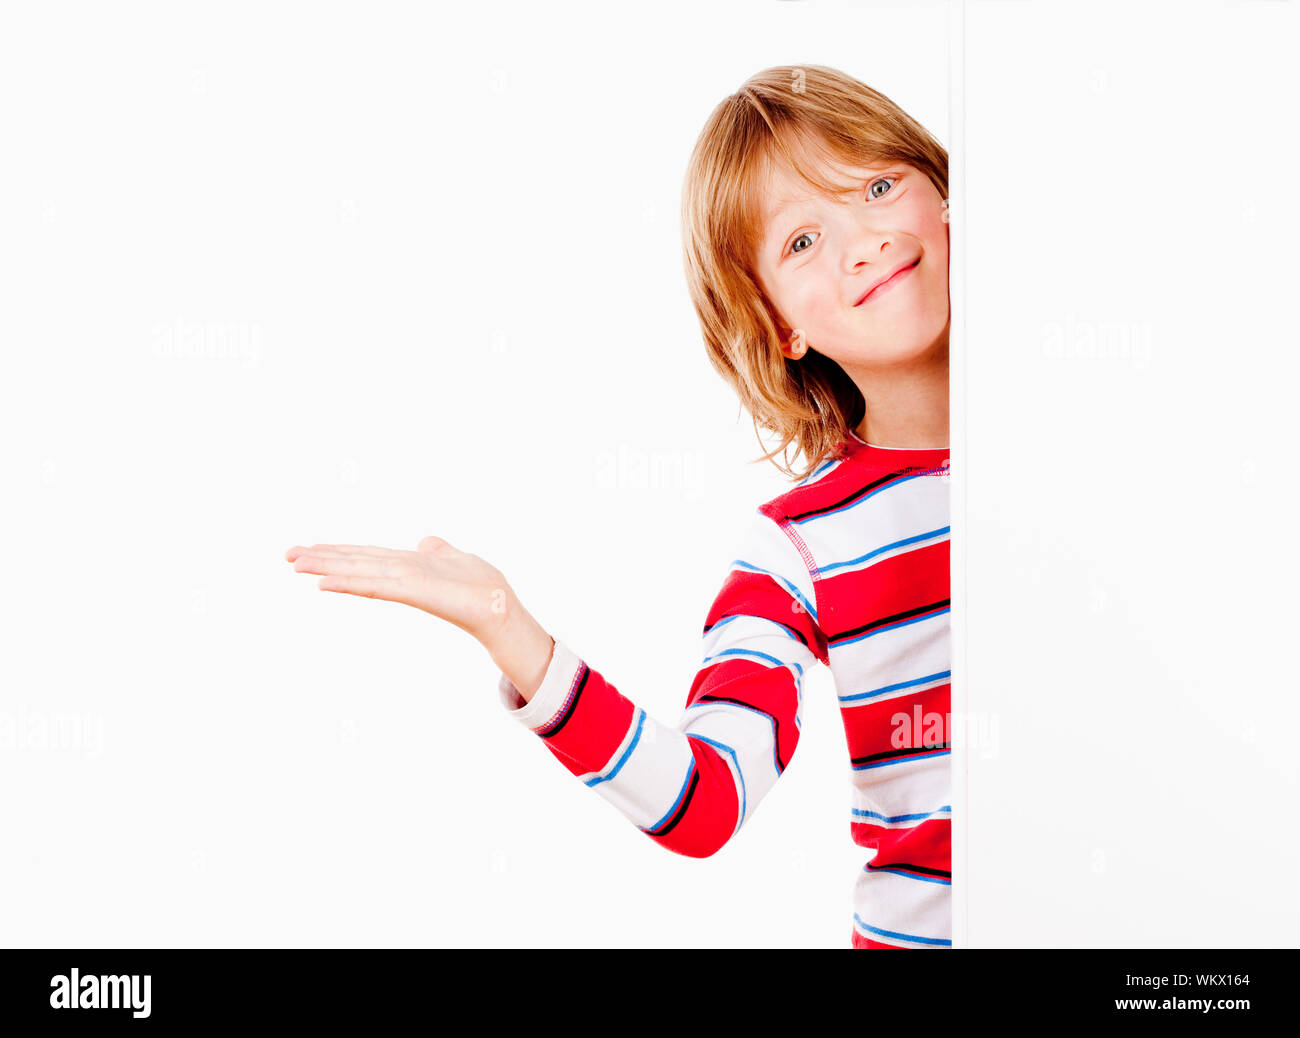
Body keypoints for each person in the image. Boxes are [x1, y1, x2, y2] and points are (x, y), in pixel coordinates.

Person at [285, 65, 951, 948]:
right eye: (800, 242)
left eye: (877, 185)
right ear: (782, 328)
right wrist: (509, 627)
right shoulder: (799, 550)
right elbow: (702, 801)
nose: (862, 242)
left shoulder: (1110, 446)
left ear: (946, 196)